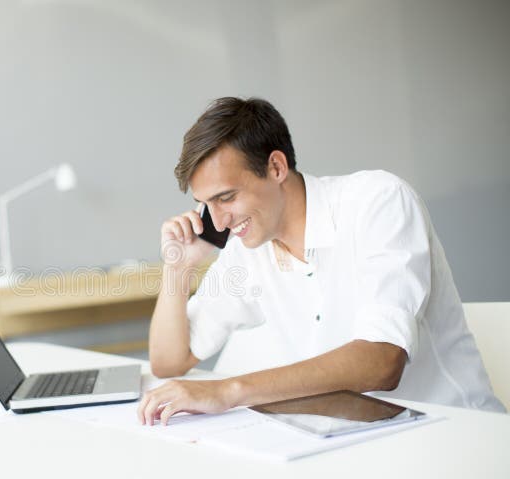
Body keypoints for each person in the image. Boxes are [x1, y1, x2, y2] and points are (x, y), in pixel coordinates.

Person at [138, 97, 505, 426]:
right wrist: (178, 268)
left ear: (276, 167)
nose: (217, 222)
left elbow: (381, 361)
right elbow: (169, 362)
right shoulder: (249, 247)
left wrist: (228, 390)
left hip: (455, 433)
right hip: (353, 441)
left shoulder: (378, 202)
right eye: (206, 205)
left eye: (227, 197)